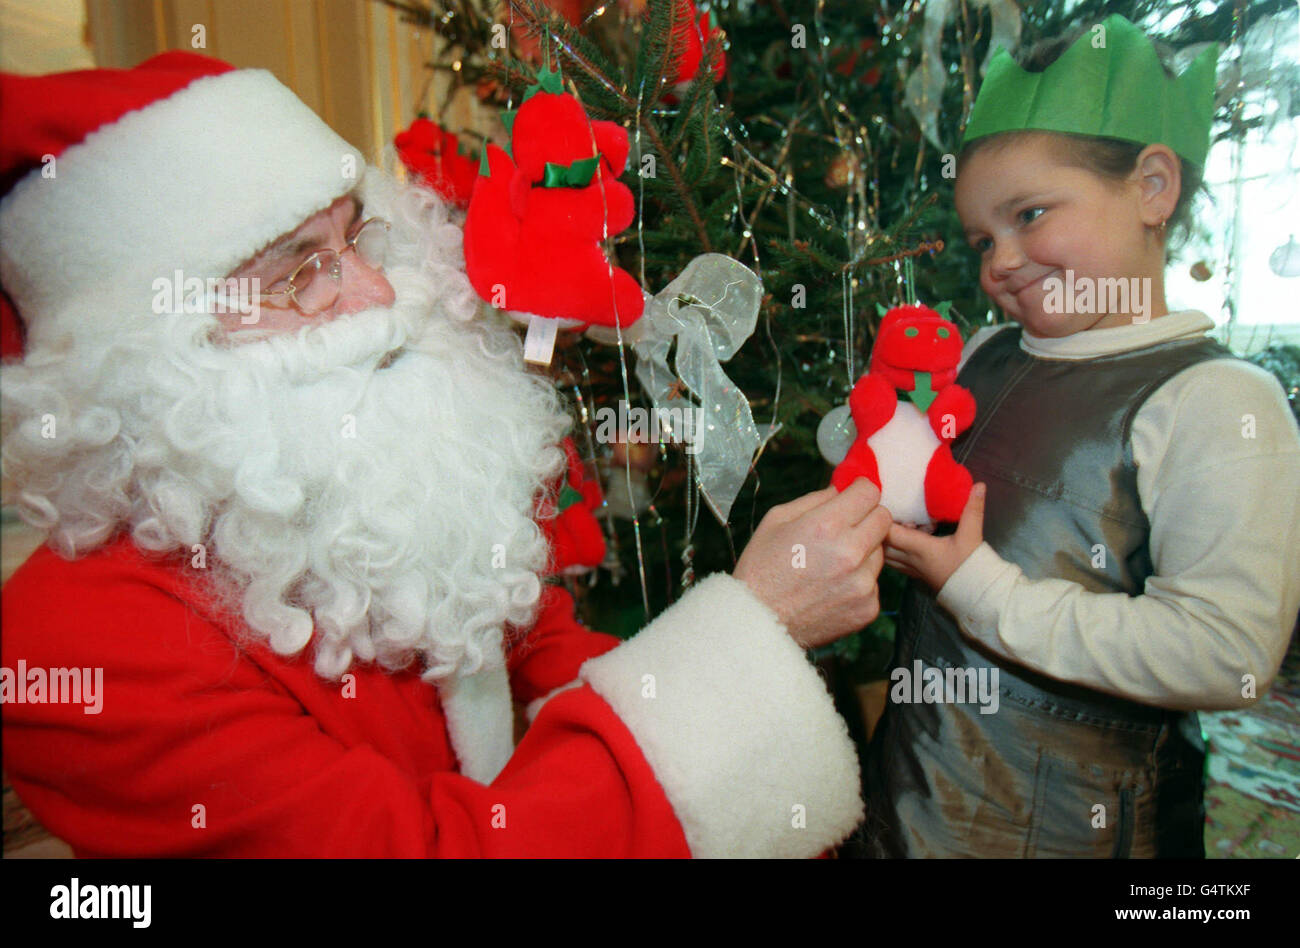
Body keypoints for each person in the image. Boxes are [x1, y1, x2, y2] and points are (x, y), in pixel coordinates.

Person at [0, 51, 892, 857]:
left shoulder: (354, 481)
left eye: (357, 238)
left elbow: (540, 657)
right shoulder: (71, 648)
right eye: (298, 272)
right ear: (149, 355)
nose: (378, 290)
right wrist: (750, 634)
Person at [854, 14, 1300, 857]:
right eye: (984, 238)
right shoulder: (984, 354)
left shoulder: (1215, 401)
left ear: (1152, 189)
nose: (1000, 262)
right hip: (914, 793)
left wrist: (983, 592)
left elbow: (1227, 651)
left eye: (1029, 214)